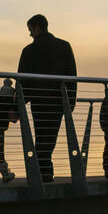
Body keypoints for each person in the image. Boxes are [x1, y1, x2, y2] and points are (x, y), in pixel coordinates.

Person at [16, 14, 76, 182]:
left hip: (38, 100)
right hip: (58, 100)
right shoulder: (64, 46)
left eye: (30, 30)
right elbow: (72, 76)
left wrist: (17, 104)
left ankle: (41, 170)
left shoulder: (29, 50)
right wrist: (70, 101)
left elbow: (22, 79)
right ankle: (43, 170)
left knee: (41, 135)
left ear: (37, 28)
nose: (30, 34)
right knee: (49, 136)